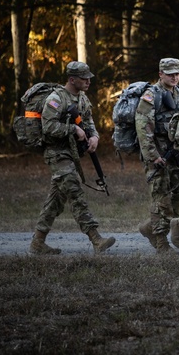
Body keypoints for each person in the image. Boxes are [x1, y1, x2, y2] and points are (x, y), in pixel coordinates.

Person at [29, 61, 116, 255]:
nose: (88, 81)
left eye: (89, 78)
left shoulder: (82, 99)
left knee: (56, 200)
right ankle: (96, 239)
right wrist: (72, 128)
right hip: (57, 154)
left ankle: (37, 243)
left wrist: (94, 136)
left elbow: (89, 121)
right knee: (75, 193)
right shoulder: (56, 99)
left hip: (72, 153)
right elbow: (48, 127)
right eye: (84, 78)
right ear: (72, 79)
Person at [136, 58, 179, 254]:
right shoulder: (151, 96)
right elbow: (143, 127)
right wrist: (153, 155)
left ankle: (149, 227)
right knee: (161, 199)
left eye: (177, 73)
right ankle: (161, 244)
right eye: (170, 73)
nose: (175, 77)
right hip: (159, 156)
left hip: (178, 154)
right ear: (160, 73)